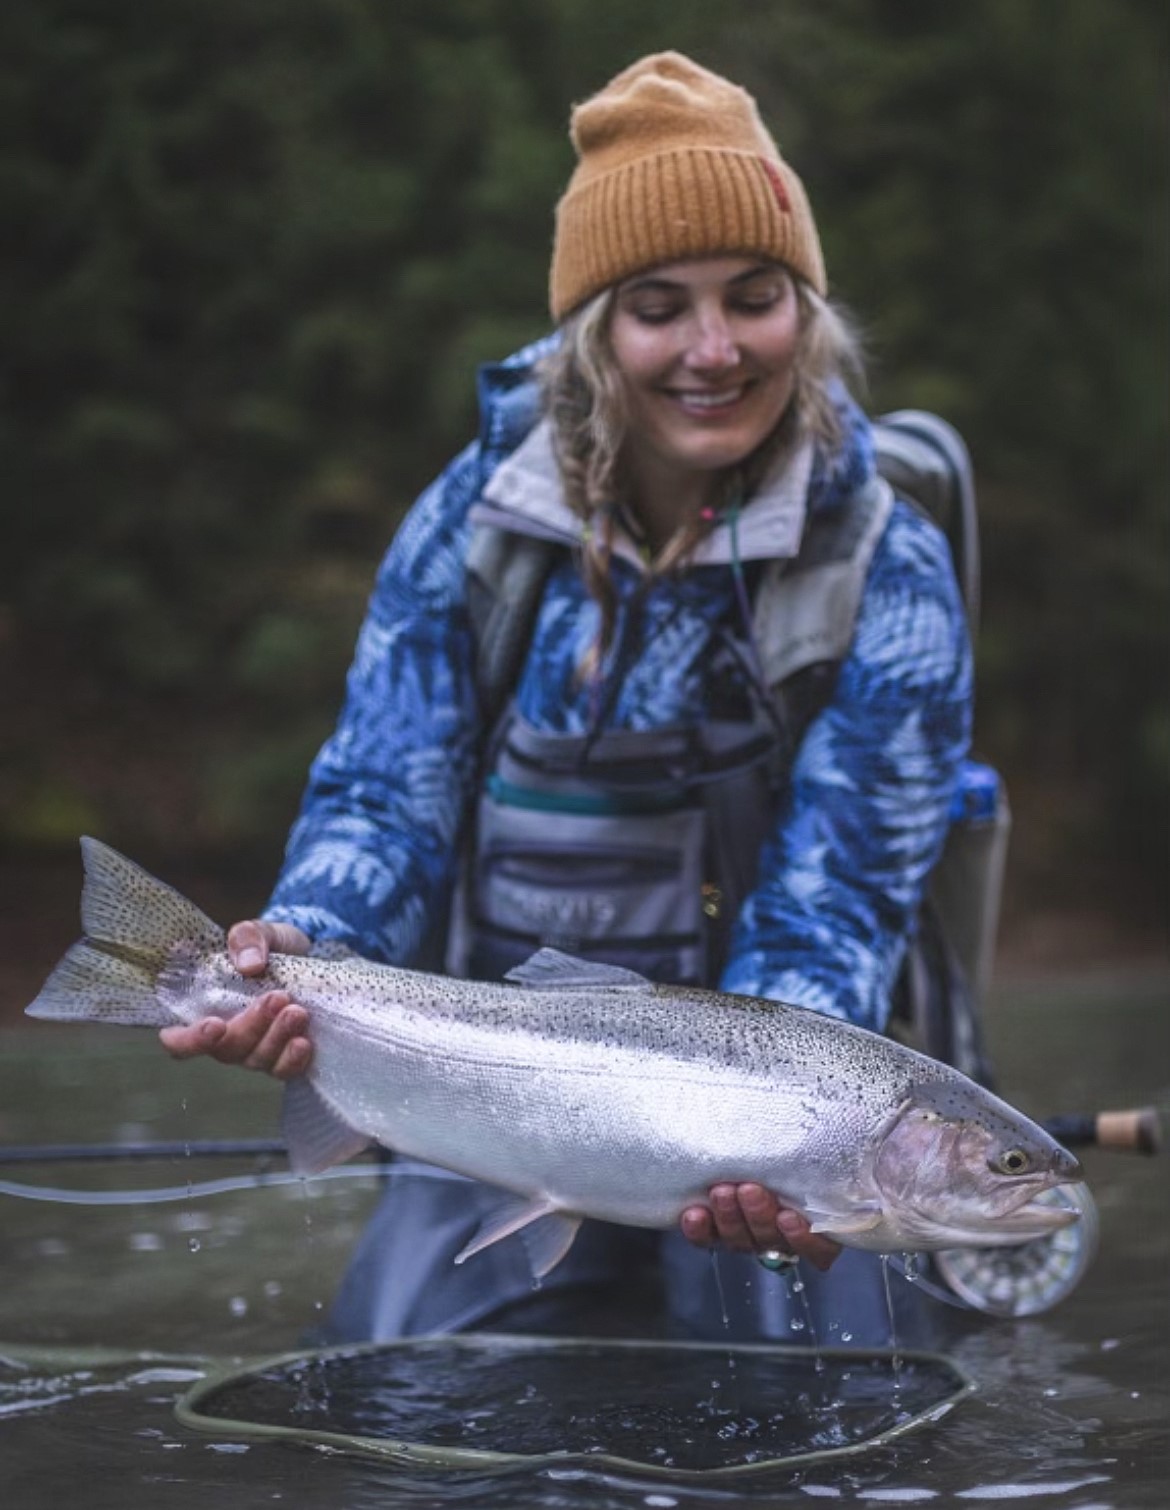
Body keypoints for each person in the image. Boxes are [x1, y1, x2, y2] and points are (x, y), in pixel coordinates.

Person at [161, 52, 972, 1346]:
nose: (712, 349)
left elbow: (840, 894)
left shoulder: (888, 568)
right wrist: (302, 939)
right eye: (659, 307)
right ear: (596, 330)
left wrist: (791, 1142)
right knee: (410, 1384)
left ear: (803, 315)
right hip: (494, 1091)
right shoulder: (473, 531)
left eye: (753, 298)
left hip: (766, 1122)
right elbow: (386, 795)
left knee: (821, 1405)